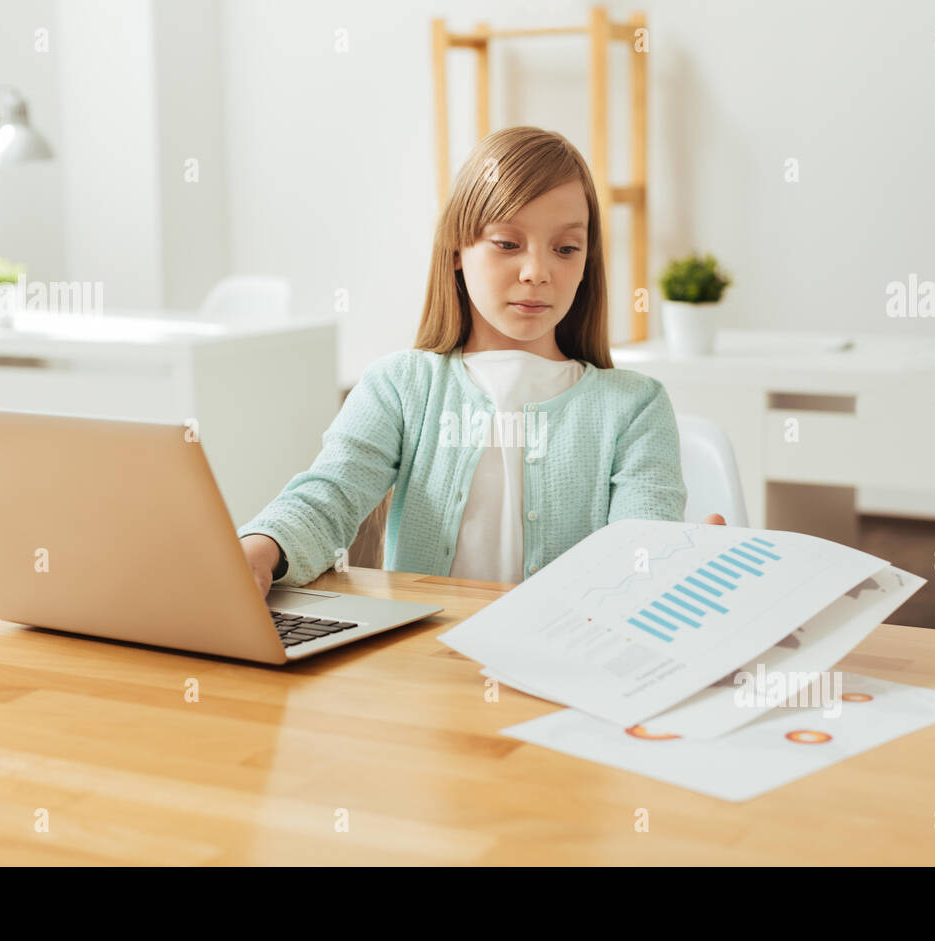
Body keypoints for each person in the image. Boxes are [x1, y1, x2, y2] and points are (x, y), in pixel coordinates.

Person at [238, 126, 725, 595]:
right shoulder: (399, 386)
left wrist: (672, 562)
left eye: (566, 248)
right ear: (456, 250)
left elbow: (638, 555)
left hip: (564, 667)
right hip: (425, 669)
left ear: (585, 263)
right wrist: (259, 549)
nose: (537, 272)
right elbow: (328, 498)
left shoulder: (635, 407)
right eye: (508, 244)